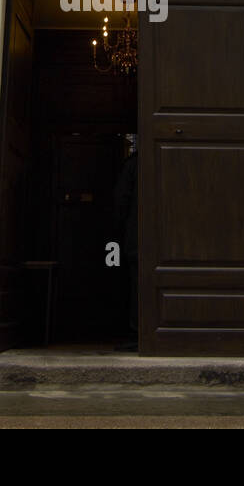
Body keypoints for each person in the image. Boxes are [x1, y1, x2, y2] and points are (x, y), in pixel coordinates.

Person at [113, 134, 138, 347]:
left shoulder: (133, 164)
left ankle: (137, 334)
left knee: (137, 284)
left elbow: (121, 200)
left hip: (136, 237)